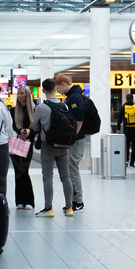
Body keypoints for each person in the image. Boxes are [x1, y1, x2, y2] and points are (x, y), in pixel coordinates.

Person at [20, 77, 74, 218]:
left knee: (48, 177)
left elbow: (36, 127)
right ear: (56, 89)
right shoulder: (65, 106)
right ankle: (69, 207)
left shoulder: (42, 107)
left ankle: (48, 208)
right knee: (65, 176)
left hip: (48, 146)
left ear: (43, 91)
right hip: (64, 146)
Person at [54, 74, 86, 212]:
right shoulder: (72, 96)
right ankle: (73, 200)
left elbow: (79, 119)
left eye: (57, 88)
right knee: (70, 168)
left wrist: (73, 136)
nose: (57, 91)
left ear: (63, 84)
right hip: (76, 139)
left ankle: (78, 201)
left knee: (72, 168)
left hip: (77, 140)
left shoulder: (74, 97)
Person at [11, 85, 37, 209]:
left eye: (22, 93)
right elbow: (11, 127)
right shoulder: (13, 110)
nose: (20, 95)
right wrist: (19, 130)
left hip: (28, 144)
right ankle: (19, 201)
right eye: (19, 93)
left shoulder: (34, 110)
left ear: (27, 95)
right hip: (16, 143)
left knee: (24, 170)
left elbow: (37, 127)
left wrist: (29, 131)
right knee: (18, 172)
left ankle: (29, 201)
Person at [117, 94, 135, 168]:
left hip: (127, 129)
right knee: (134, 147)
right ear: (132, 99)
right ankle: (132, 163)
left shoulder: (123, 107)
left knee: (126, 146)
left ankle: (126, 161)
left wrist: (118, 128)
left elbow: (119, 119)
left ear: (126, 99)